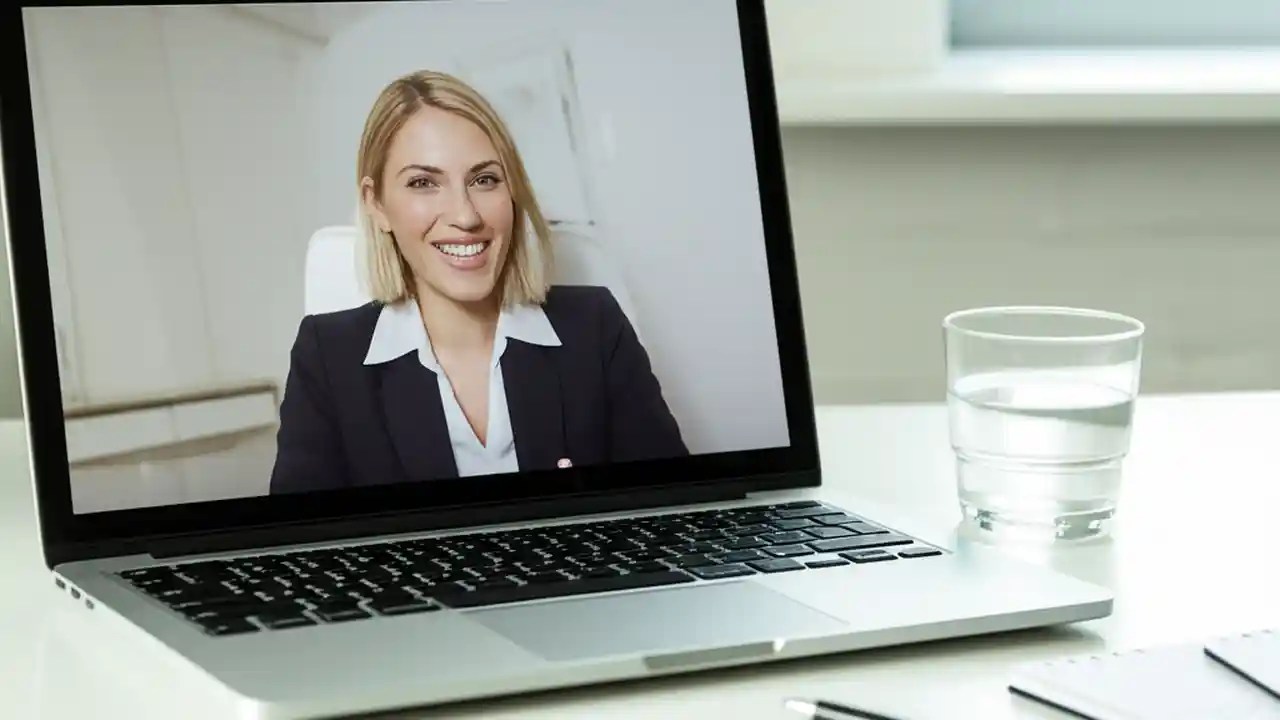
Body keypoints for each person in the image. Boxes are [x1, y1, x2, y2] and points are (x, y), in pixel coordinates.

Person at [269, 70, 687, 494]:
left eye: (484, 179)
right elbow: (301, 541)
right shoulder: (327, 355)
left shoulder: (594, 325)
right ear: (375, 204)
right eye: (423, 183)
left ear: (512, 192)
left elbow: (673, 506)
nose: (466, 216)